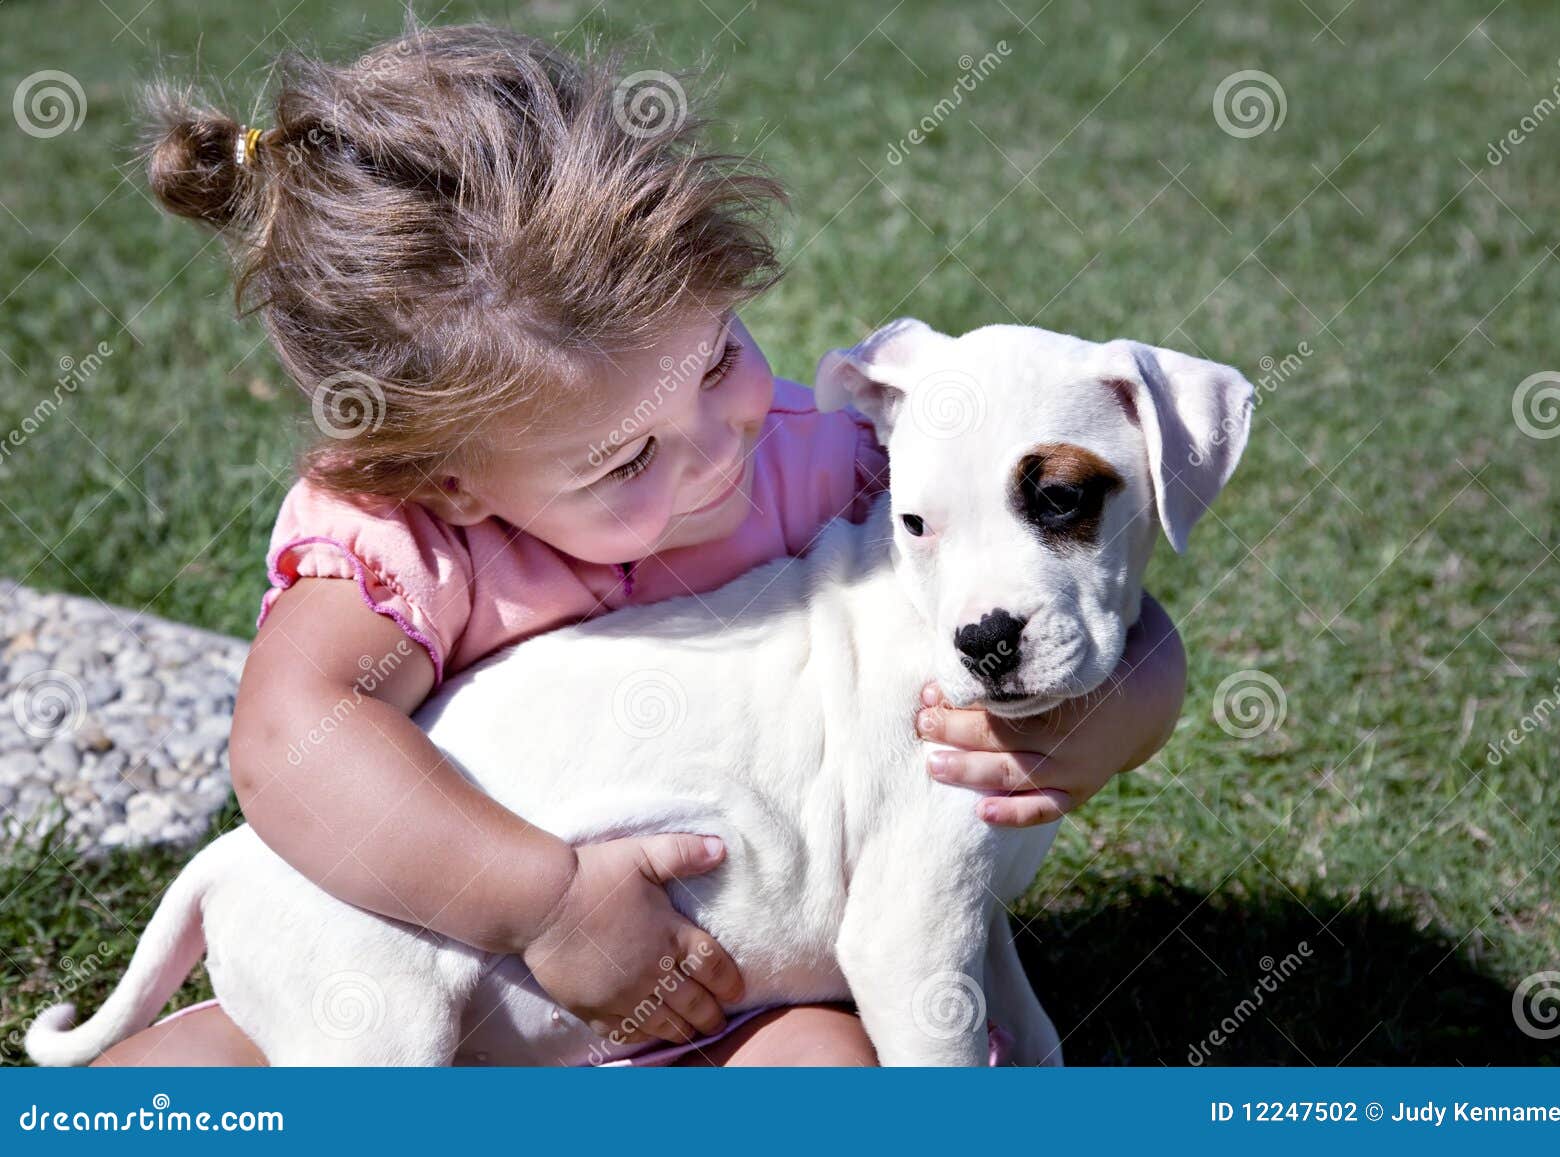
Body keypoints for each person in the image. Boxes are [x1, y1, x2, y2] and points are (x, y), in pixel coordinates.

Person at [95, 23, 1186, 1067]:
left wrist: (1118, 710)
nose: (713, 451)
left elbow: (1025, 579)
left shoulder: (827, 464)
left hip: (736, 982)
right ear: (452, 480)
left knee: (828, 1074)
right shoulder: (405, 539)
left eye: (715, 361)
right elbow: (290, 738)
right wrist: (545, 903)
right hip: (446, 962)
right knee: (239, 1062)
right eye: (623, 462)